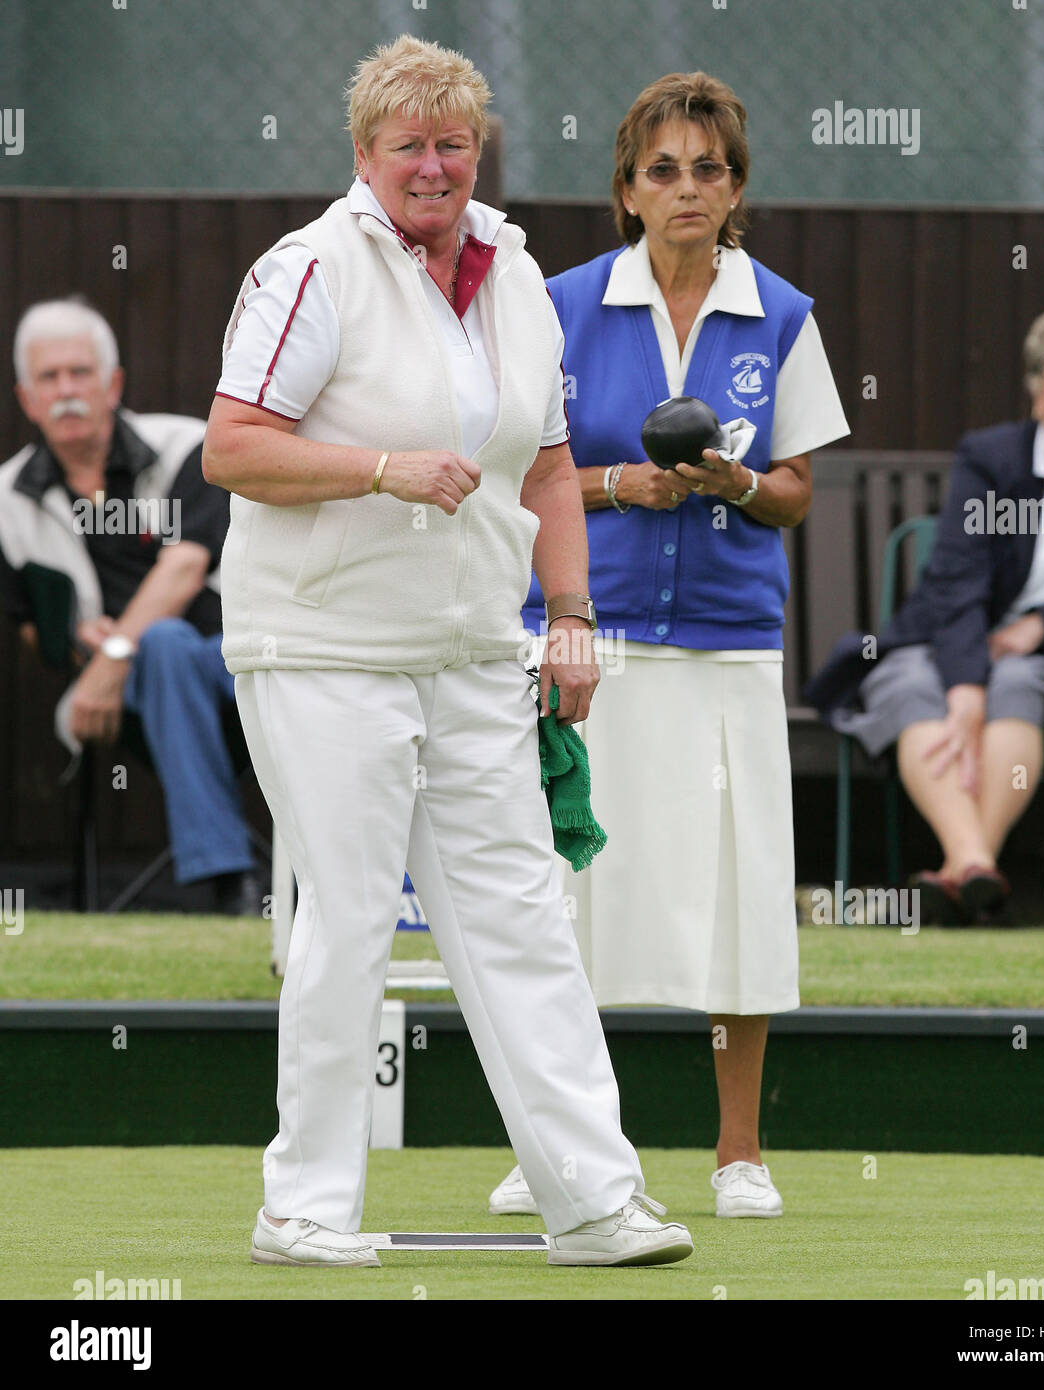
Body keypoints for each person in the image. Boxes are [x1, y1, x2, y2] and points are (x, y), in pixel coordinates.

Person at [203, 34, 691, 1269]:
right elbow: (233, 447)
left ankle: (592, 1201)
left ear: (479, 152)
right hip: (320, 648)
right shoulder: (308, 269)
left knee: (524, 912)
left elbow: (541, 461)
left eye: (454, 143)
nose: (434, 166)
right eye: (409, 144)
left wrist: (568, 617)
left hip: (476, 649)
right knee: (351, 913)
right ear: (365, 153)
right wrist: (378, 468)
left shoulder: (516, 274)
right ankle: (301, 1210)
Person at [489, 71, 850, 1221]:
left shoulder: (780, 313)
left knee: (738, 891)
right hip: (587, 637)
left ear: (734, 187)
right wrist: (620, 486)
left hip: (728, 644)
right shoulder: (558, 304)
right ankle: (559, 1152)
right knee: (560, 894)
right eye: (662, 170)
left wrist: (734, 481)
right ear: (626, 191)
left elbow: (793, 491)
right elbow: (521, 472)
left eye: (707, 169)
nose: (685, 188)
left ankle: (737, 1152)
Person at [805, 300, 1044, 925]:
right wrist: (964, 684)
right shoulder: (992, 459)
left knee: (1017, 681)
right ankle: (975, 866)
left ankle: (956, 874)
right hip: (944, 644)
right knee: (907, 684)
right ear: (1038, 388)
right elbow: (956, 583)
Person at [0, 298, 259, 914]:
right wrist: (76, 638)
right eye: (49, 377)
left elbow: (186, 567)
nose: (66, 391)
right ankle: (232, 887)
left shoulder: (188, 447)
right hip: (132, 706)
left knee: (166, 643)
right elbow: (32, 628)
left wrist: (114, 652)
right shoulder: (7, 503)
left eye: (80, 373)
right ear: (26, 399)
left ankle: (229, 882)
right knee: (163, 649)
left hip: (244, 667)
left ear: (112, 384)